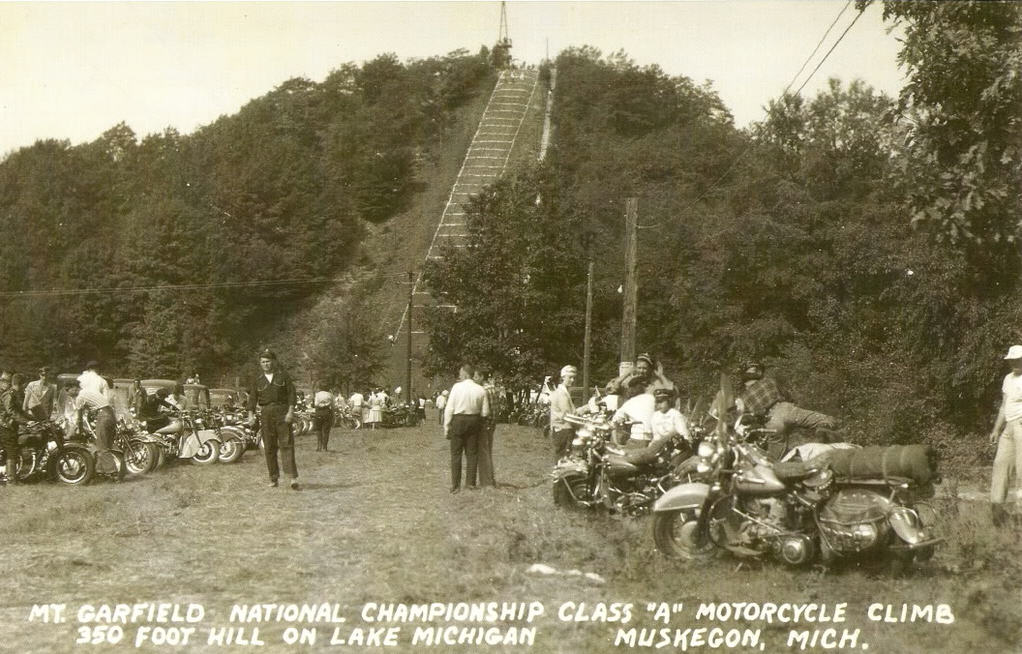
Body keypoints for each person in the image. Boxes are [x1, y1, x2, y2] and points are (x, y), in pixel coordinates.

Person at [736, 360, 841, 459]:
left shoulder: (742, 398)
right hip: (785, 408)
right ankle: (822, 435)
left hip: (771, 422)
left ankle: (779, 469)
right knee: (825, 420)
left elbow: (748, 420)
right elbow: (788, 397)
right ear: (759, 373)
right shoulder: (769, 382)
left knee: (773, 459)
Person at [247, 349, 299, 490]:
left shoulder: (283, 376)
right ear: (260, 364)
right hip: (266, 413)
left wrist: (290, 412)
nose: (266, 364)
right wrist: (250, 414)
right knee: (269, 447)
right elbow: (252, 398)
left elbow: (291, 394)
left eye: (268, 361)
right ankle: (273, 478)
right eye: (263, 362)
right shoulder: (257, 380)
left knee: (286, 444)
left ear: (274, 362)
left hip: (282, 412)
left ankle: (292, 478)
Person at [443, 364, 490, 493]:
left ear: (464, 374)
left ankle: (455, 486)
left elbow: (449, 409)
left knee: (456, 454)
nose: (459, 375)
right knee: (472, 454)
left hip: (458, 421)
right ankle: (470, 483)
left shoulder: (457, 387)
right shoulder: (481, 390)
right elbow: (485, 412)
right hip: (474, 421)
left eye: (460, 373)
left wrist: (446, 427)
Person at [989, 345, 1022, 527]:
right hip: (1008, 428)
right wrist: (996, 429)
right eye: (1012, 360)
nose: (1014, 363)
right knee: (1000, 465)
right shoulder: (1008, 379)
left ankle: (1020, 516)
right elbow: (1003, 406)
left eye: (1018, 360)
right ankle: (997, 515)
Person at [71, 378, 123, 479]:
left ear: (74, 388)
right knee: (106, 445)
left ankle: (113, 473)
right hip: (111, 415)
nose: (68, 393)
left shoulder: (79, 397)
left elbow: (79, 419)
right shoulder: (89, 391)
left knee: (102, 448)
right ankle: (99, 472)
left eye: (67, 390)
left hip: (103, 416)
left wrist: (78, 432)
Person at [626, 388, 691, 466]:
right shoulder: (656, 416)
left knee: (672, 466)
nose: (659, 405)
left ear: (669, 401)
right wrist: (651, 448)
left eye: (662, 402)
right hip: (661, 448)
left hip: (677, 447)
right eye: (657, 402)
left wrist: (675, 451)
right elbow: (656, 436)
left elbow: (683, 435)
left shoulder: (675, 415)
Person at [0, 371, 32, 483]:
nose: (25, 389)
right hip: (5, 426)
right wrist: (26, 422)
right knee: (11, 452)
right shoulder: (8, 394)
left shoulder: (14, 394)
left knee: (13, 450)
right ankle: (11, 480)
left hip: (11, 426)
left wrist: (34, 419)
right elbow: (11, 412)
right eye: (24, 386)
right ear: (20, 384)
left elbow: (20, 411)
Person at [612, 376, 655, 445]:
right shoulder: (655, 399)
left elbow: (614, 422)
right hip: (656, 440)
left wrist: (616, 442)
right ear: (646, 387)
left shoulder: (630, 403)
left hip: (637, 439)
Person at [473, 369, 498, 487]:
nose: (474, 380)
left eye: (476, 377)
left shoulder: (484, 390)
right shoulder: (492, 388)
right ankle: (490, 479)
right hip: (491, 424)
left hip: (486, 424)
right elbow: (495, 410)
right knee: (488, 452)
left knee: (483, 453)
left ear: (482, 376)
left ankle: (486, 482)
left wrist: (486, 424)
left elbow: (488, 411)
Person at [550, 365, 578, 460]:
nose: (572, 380)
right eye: (570, 377)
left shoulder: (564, 392)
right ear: (563, 377)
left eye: (573, 377)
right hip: (563, 430)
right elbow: (568, 415)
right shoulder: (562, 394)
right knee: (563, 458)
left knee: (562, 457)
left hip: (561, 429)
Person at [313, 385, 334, 452]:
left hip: (319, 412)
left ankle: (319, 446)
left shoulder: (317, 394)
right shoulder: (330, 395)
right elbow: (333, 406)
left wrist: (321, 405)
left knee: (318, 430)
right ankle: (324, 447)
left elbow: (316, 404)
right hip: (327, 412)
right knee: (326, 431)